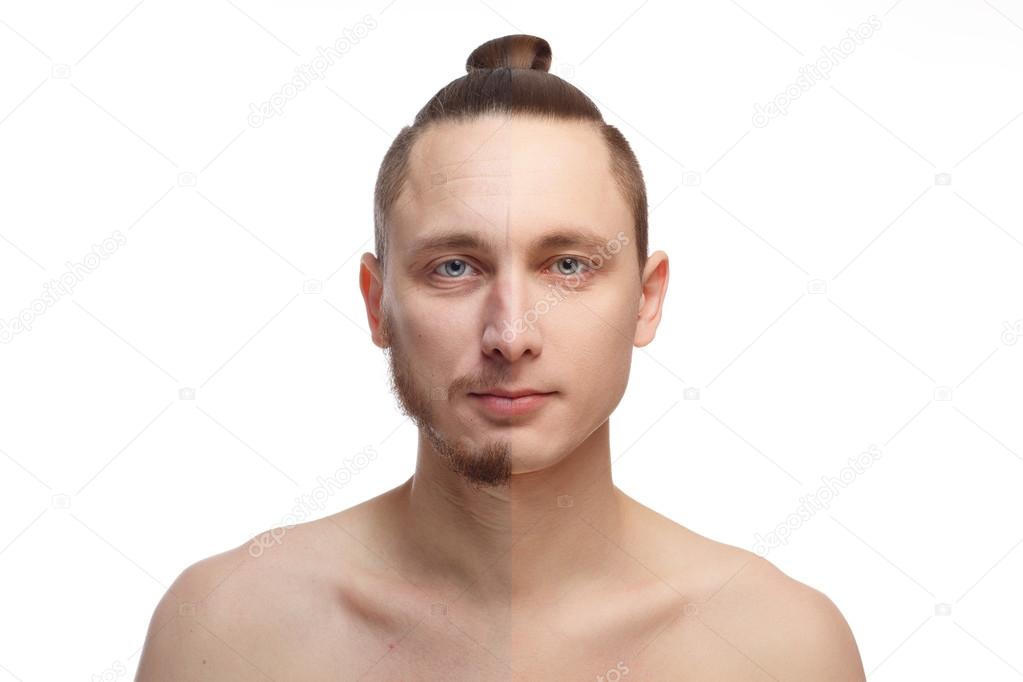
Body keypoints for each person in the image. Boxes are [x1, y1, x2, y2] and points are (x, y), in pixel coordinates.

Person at [135, 34, 866, 680]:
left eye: (568, 266)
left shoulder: (779, 649)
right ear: (374, 302)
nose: (511, 334)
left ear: (646, 300)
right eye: (454, 267)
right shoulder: (227, 631)